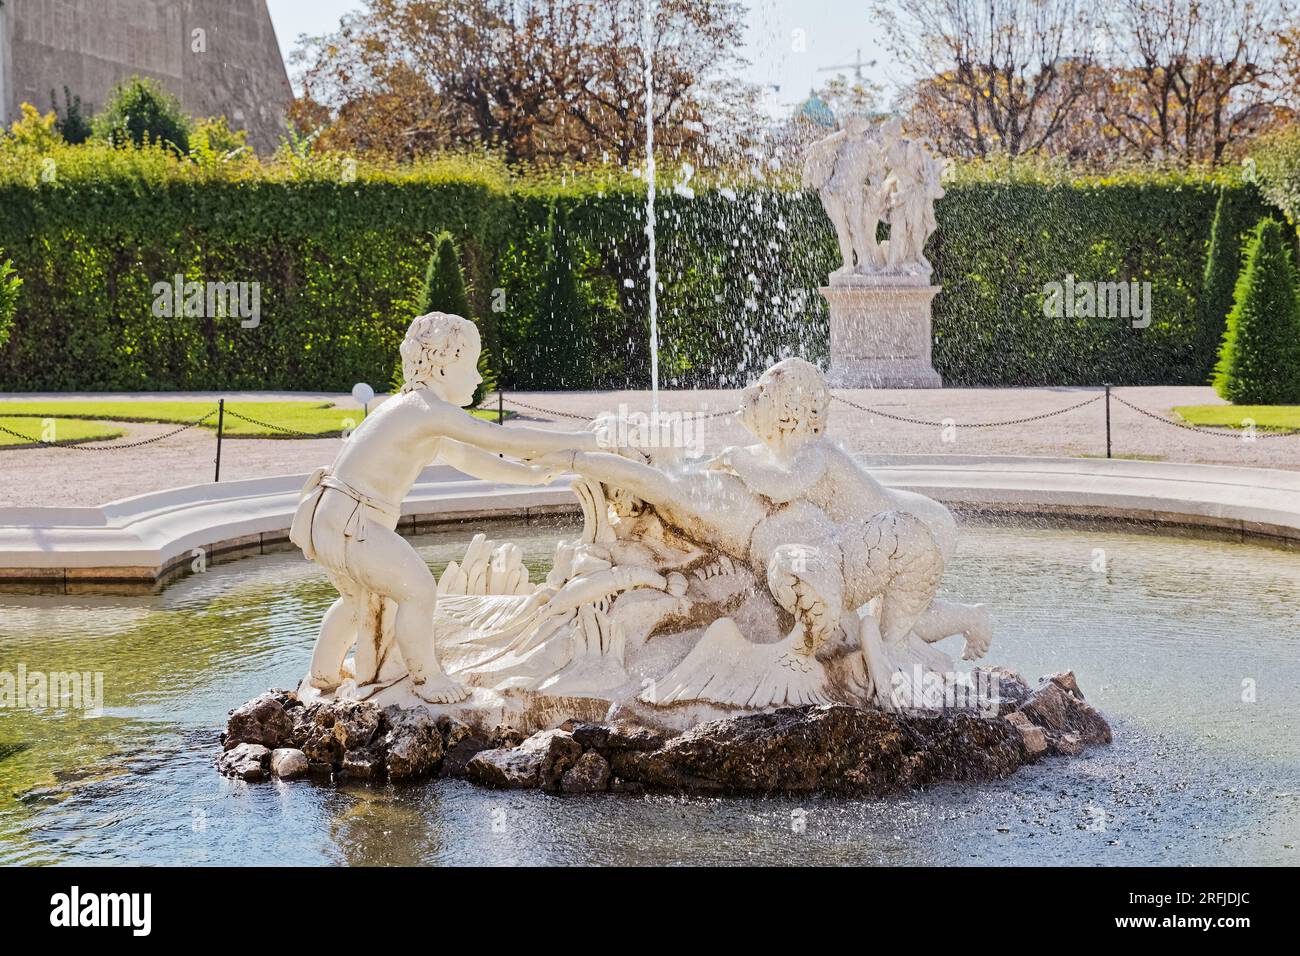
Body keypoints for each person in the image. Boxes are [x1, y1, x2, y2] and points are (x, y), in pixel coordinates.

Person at [290, 312, 608, 703]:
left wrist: (530, 477)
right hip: (351, 520)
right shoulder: (428, 410)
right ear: (442, 365)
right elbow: (497, 437)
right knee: (417, 589)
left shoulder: (414, 412)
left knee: (358, 600)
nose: (476, 378)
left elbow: (472, 459)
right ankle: (427, 679)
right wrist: (588, 440)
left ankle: (322, 674)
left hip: (331, 518)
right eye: (471, 366)